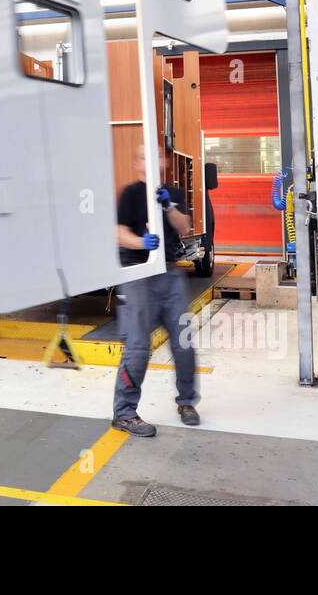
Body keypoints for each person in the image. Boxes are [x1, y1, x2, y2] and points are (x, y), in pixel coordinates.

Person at [112, 143, 200, 436]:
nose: (149, 162)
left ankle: (187, 403)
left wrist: (169, 206)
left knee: (184, 343)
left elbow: (185, 227)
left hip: (170, 276)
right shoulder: (130, 193)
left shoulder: (171, 194)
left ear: (163, 162)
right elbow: (119, 232)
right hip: (138, 275)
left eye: (154, 157)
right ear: (136, 163)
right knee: (138, 347)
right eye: (142, 157)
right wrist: (141, 243)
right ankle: (124, 413)